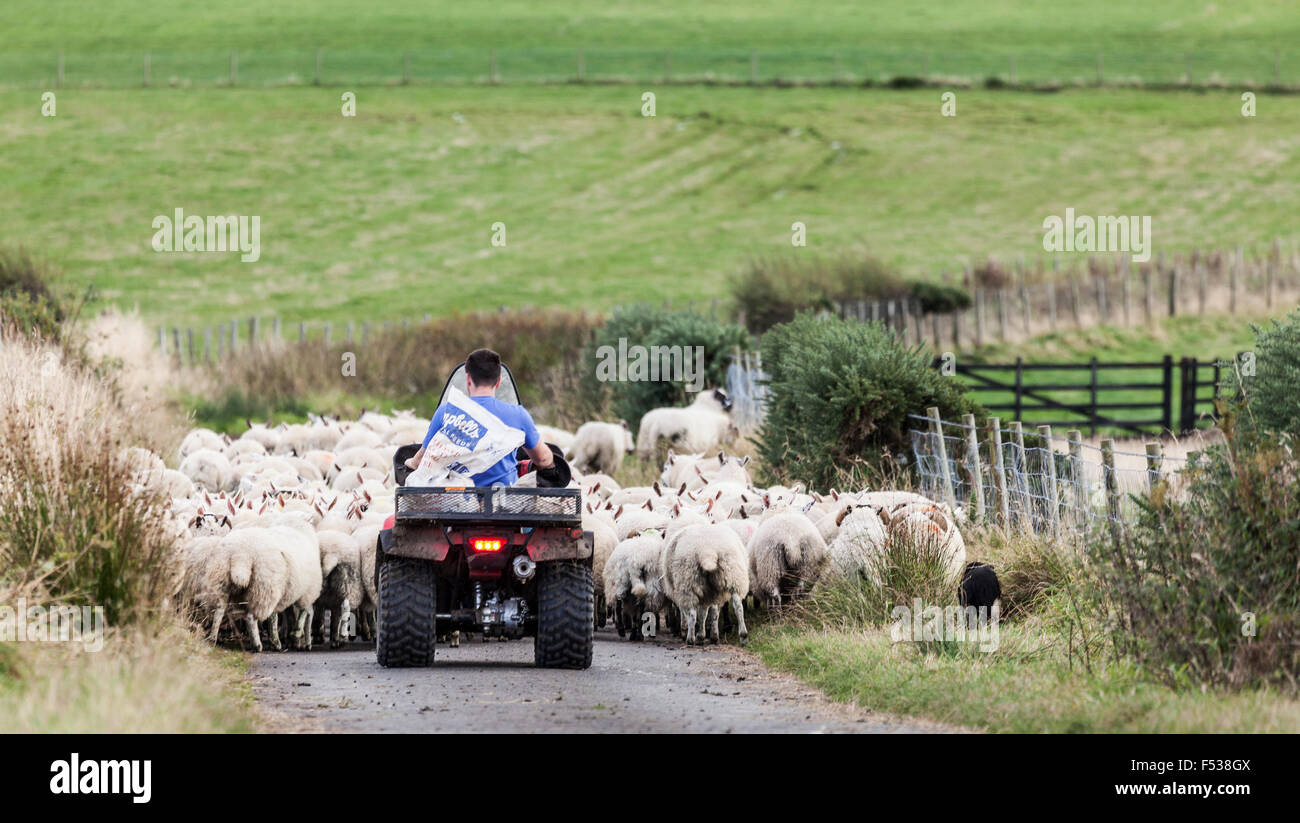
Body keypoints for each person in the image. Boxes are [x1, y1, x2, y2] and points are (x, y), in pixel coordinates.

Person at [404, 348, 558, 486]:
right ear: (498, 382)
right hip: (504, 505)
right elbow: (543, 459)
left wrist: (409, 462)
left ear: (468, 379)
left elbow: (422, 459)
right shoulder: (518, 415)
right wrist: (550, 467)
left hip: (455, 503)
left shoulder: (446, 411)